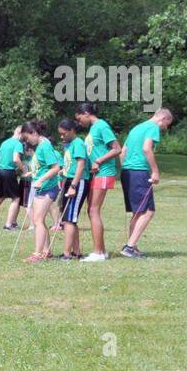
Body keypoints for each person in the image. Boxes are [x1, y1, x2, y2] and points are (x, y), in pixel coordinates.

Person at [118, 108, 174, 258]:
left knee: (138, 211)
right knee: (148, 211)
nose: (165, 128)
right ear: (162, 119)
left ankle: (133, 247)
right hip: (139, 172)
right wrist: (155, 171)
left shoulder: (137, 128)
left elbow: (123, 151)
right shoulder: (153, 127)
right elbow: (146, 148)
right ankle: (129, 247)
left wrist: (126, 168)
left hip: (127, 172)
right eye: (166, 124)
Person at [74, 101, 120, 262]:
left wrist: (99, 161)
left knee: (93, 210)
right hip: (96, 174)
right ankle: (102, 250)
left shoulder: (101, 126)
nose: (79, 123)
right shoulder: (94, 128)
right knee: (91, 210)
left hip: (104, 172)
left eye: (80, 119)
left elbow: (116, 148)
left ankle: (98, 253)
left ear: (87, 113)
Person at [20, 120, 61, 263]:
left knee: (37, 220)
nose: (27, 141)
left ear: (34, 133)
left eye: (27, 137)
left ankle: (37, 254)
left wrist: (40, 180)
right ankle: (46, 251)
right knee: (39, 220)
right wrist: (34, 174)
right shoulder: (39, 146)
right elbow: (42, 166)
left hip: (48, 188)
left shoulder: (44, 147)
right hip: (40, 187)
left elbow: (55, 168)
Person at [56, 118, 89, 260]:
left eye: (64, 134)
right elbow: (72, 164)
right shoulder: (69, 145)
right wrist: (63, 170)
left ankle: (66, 254)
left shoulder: (78, 144)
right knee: (68, 218)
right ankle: (76, 252)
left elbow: (81, 166)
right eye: (60, 134)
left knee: (69, 220)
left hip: (78, 183)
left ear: (71, 131)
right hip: (69, 180)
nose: (62, 136)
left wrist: (73, 186)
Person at [0, 126, 25, 229]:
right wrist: (23, 169)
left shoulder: (5, 142)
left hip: (0, 171)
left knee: (0, 196)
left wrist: (4, 163)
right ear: (21, 134)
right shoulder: (18, 144)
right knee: (16, 198)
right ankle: (9, 224)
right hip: (9, 172)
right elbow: (16, 159)